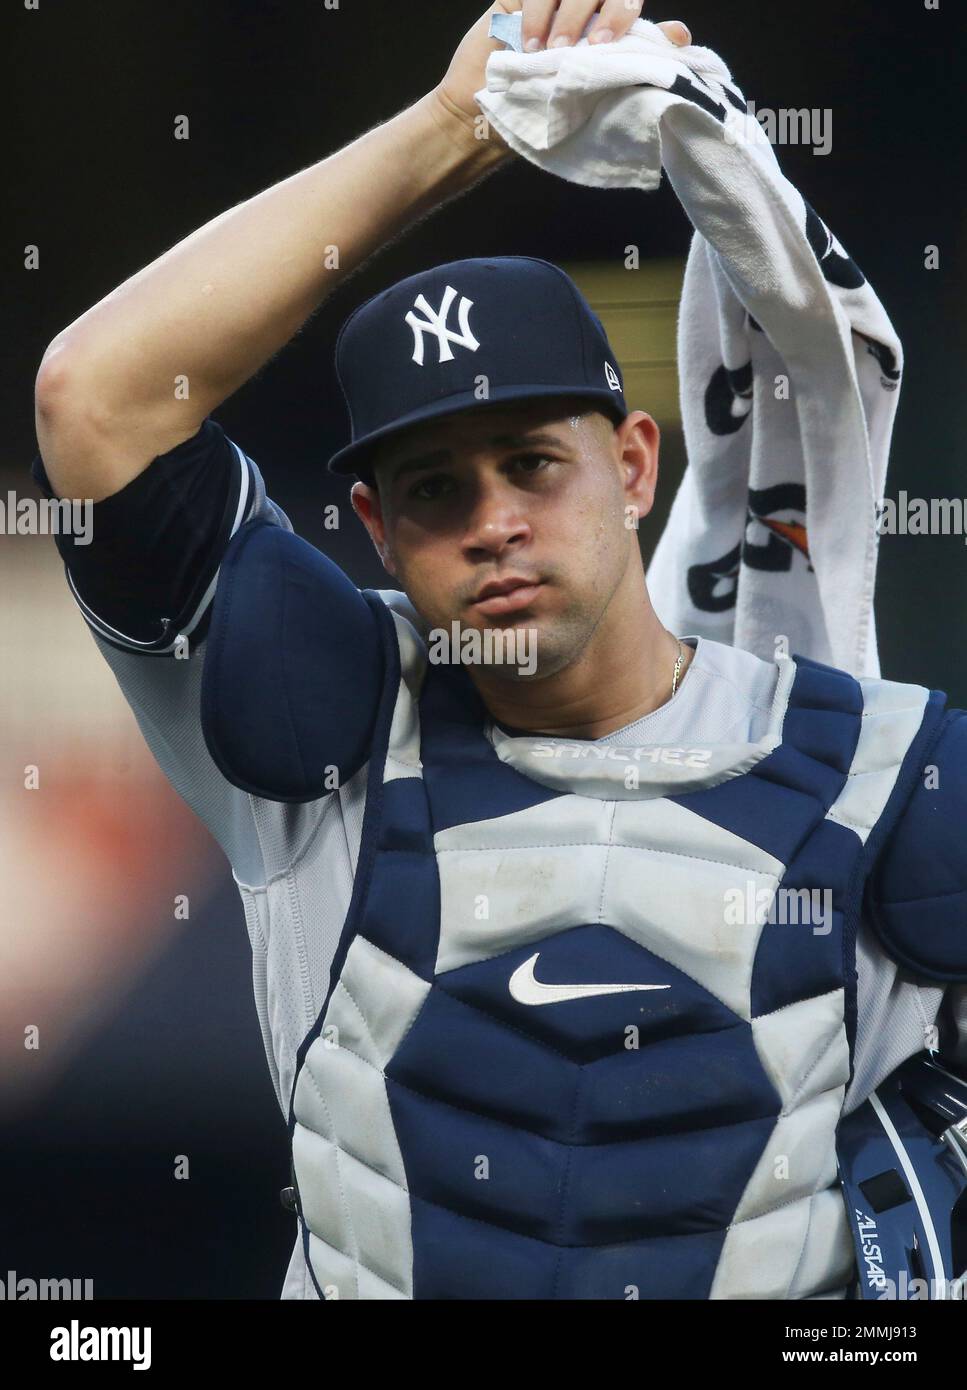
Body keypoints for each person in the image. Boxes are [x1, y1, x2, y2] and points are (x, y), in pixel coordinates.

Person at [31, 1, 967, 1301]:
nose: (494, 526)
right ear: (372, 523)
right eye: (434, 491)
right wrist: (455, 127)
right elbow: (95, 399)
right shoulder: (325, 742)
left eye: (532, 463)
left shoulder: (888, 772)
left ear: (636, 464)